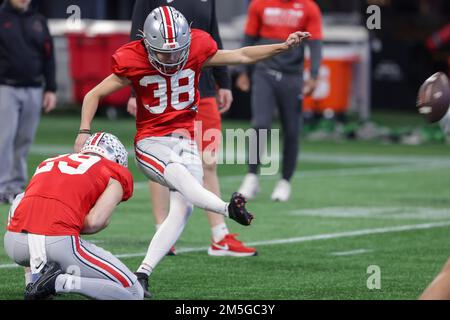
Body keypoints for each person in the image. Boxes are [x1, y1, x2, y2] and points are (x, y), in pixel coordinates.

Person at [73, 6, 309, 297]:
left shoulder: (198, 47)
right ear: (147, 43)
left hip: (185, 139)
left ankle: (143, 273)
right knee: (183, 178)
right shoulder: (133, 59)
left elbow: (244, 54)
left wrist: (283, 46)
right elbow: (93, 93)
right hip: (151, 142)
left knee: (184, 207)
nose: (171, 59)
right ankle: (227, 209)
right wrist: (84, 130)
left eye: (177, 52)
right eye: (164, 52)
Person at [128, 0, 256, 258]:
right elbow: (135, 41)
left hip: (202, 87)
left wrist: (224, 82)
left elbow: (213, 37)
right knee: (163, 165)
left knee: (208, 161)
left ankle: (219, 237)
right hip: (162, 92)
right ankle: (162, 231)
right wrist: (135, 91)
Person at [4, 132, 144, 300]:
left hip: (15, 244)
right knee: (134, 292)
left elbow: (22, 205)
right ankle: (60, 282)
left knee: (25, 202)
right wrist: (68, 220)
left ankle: (33, 281)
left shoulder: (49, 161)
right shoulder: (115, 171)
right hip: (58, 243)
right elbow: (94, 222)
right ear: (117, 160)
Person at [236, 0, 323, 202]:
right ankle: (251, 176)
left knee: (292, 129)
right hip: (264, 71)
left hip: (293, 75)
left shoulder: (308, 7)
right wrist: (243, 72)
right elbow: (249, 38)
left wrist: (314, 74)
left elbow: (316, 42)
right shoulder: (259, 4)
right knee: (260, 124)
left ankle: (285, 181)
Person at [0, 0, 57, 204]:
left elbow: (49, 56)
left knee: (24, 139)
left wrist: (50, 88)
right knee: (4, 139)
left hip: (34, 88)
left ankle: (15, 186)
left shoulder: (38, 21)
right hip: (6, 87)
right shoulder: (2, 18)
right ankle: (2, 186)